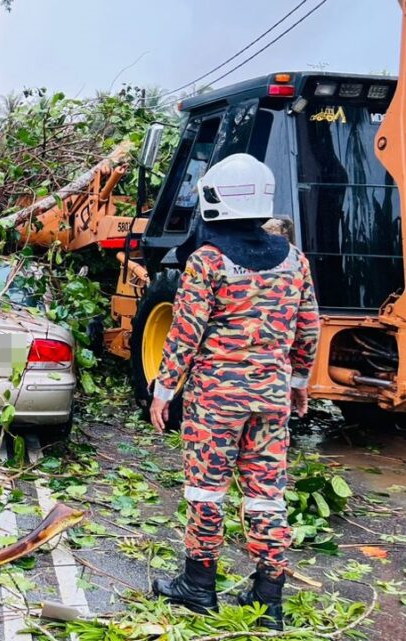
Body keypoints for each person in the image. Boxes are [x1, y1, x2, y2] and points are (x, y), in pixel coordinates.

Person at [148, 153, 321, 631]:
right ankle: (269, 600)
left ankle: (198, 586)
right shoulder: (295, 260)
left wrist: (164, 390)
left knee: (206, 490)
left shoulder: (207, 261)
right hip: (271, 399)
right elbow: (309, 328)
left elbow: (185, 332)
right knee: (267, 494)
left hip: (216, 400)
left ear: (216, 199)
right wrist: (298, 383)